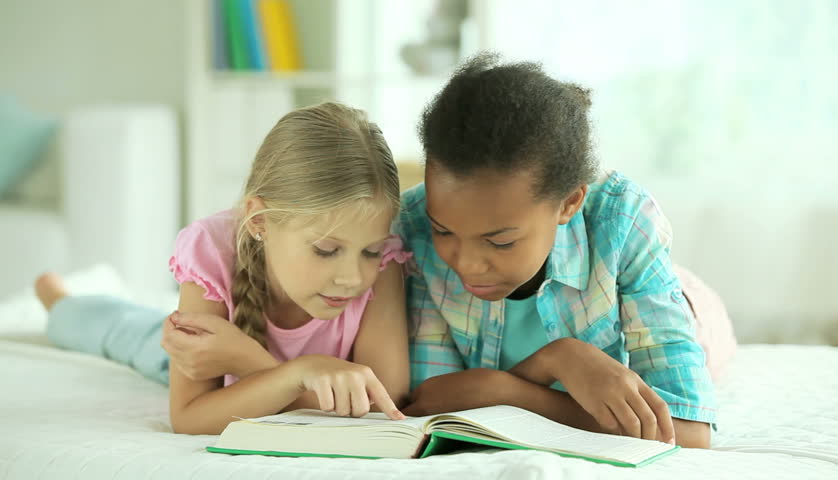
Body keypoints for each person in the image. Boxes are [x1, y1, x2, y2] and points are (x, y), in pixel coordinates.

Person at [397, 54, 724, 448]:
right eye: (443, 230)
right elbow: (429, 406)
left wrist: (502, 392)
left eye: (500, 241)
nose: (465, 264)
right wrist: (554, 361)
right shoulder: (412, 225)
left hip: (697, 311)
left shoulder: (623, 220)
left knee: (703, 325)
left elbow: (687, 431)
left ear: (569, 203)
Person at [36, 102, 411, 435]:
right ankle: (57, 296)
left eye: (370, 251)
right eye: (326, 249)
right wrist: (300, 373)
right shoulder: (212, 249)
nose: (353, 277)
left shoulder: (384, 264)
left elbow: (384, 404)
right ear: (259, 220)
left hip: (231, 354)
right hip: (199, 353)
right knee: (126, 329)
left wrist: (254, 362)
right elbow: (188, 418)